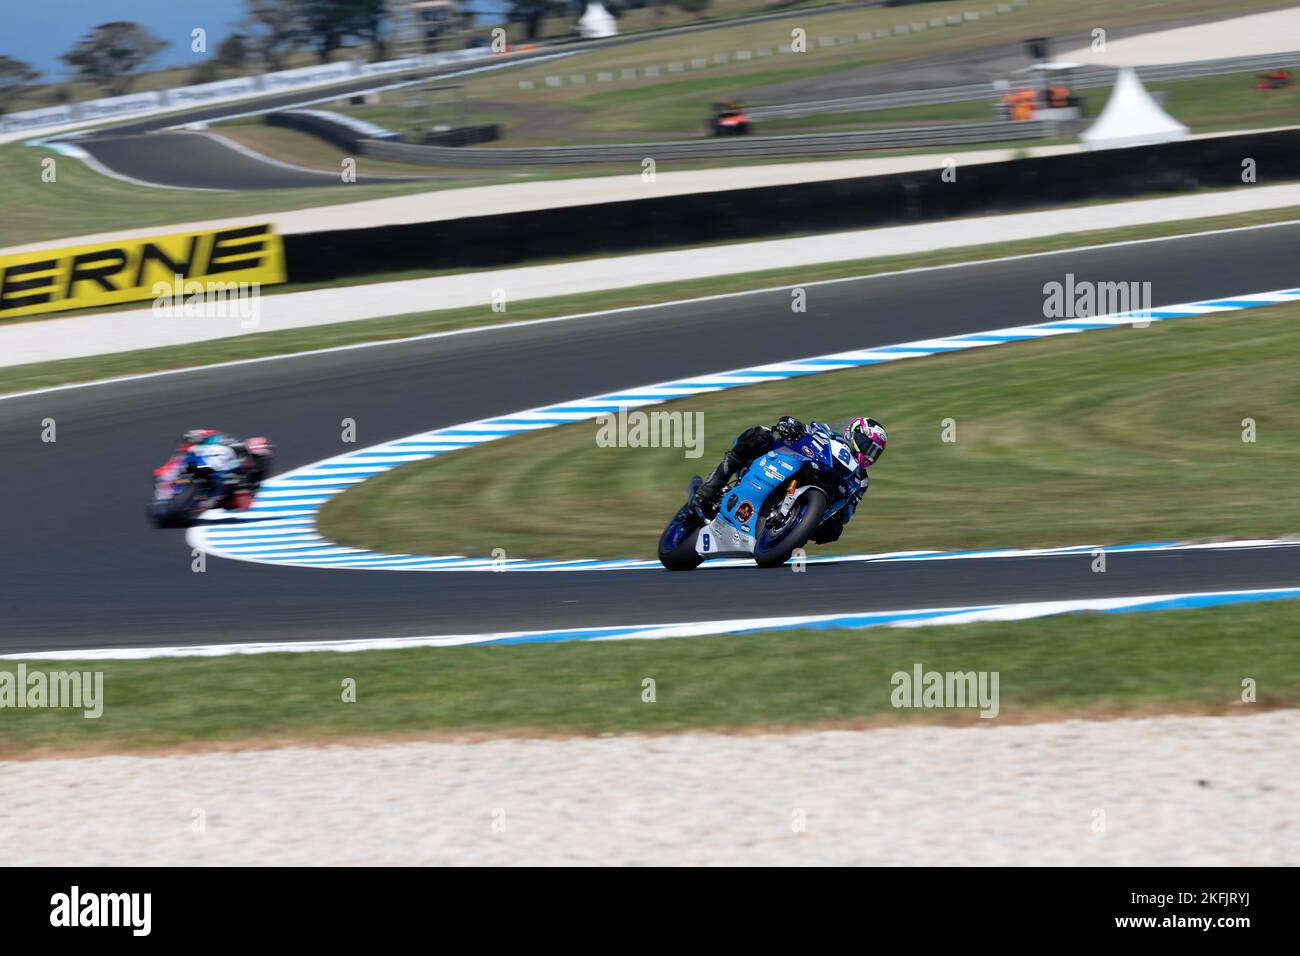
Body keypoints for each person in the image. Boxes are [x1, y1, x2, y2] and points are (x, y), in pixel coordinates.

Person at [691, 415, 887, 542]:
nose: (869, 455)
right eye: (867, 446)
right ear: (854, 434)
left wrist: (836, 522)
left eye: (874, 452)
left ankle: (786, 528)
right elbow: (804, 428)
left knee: (833, 532)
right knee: (761, 434)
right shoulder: (827, 433)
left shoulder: (861, 480)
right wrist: (790, 425)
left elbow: (849, 510)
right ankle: (711, 486)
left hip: (821, 497)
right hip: (787, 461)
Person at [177, 428, 275, 510]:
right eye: (255, 456)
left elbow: (247, 502)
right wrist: (198, 434)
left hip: (225, 485)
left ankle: (198, 506)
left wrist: (241, 488)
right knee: (185, 455)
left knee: (232, 503)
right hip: (210, 462)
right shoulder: (234, 443)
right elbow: (211, 434)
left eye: (260, 458)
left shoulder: (257, 473)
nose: (257, 461)